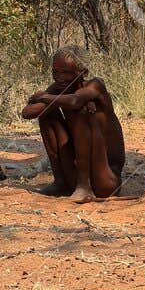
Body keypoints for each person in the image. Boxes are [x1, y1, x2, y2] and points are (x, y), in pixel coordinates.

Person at [21, 46, 125, 203]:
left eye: (66, 72)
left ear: (83, 72)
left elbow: (76, 101)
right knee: (47, 115)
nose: (59, 77)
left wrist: (44, 96)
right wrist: (48, 98)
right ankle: (61, 182)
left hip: (106, 180)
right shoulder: (58, 88)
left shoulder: (95, 85)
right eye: (55, 72)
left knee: (83, 109)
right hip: (74, 175)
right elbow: (28, 113)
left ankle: (84, 187)